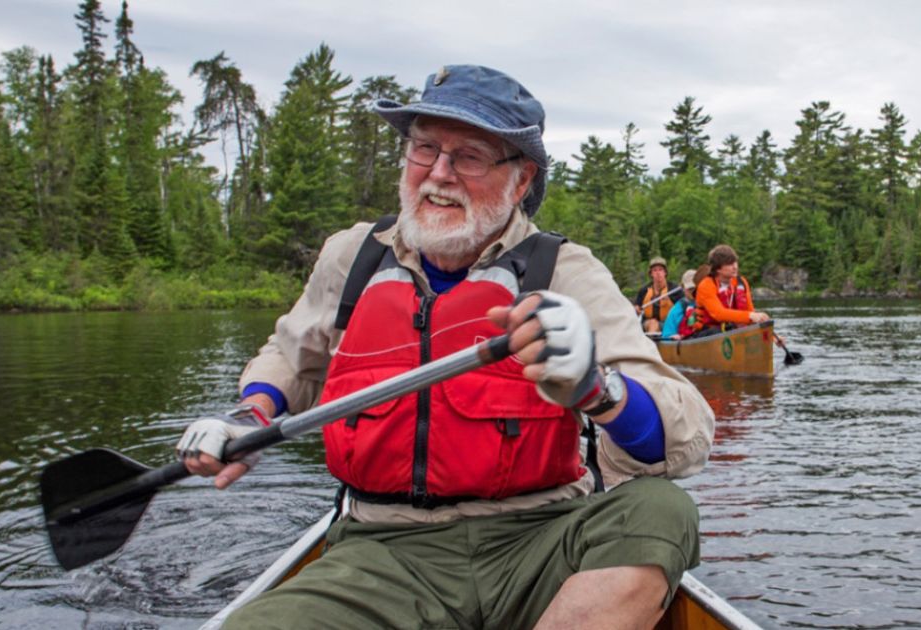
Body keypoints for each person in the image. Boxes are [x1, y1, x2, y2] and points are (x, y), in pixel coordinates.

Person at [174, 65, 714, 629]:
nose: (438, 174)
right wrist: (248, 414)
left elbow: (686, 437)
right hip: (382, 551)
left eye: (470, 156)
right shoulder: (353, 256)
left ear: (522, 179)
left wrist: (597, 389)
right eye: (424, 149)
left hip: (538, 542)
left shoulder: (566, 272)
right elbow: (293, 358)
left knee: (660, 509)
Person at [691, 244, 770, 338]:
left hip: (730, 330)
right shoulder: (706, 285)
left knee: (753, 327)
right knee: (719, 332)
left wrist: (770, 337)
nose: (735, 267)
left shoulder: (742, 282)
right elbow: (719, 314)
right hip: (707, 332)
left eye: (735, 262)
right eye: (730, 264)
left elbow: (750, 311)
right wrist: (750, 316)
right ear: (717, 269)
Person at [634, 256, 681, 334]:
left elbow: (684, 307)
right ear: (651, 274)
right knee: (653, 323)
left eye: (660, 270)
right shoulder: (644, 291)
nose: (658, 273)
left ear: (665, 272)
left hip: (669, 323)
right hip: (648, 323)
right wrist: (636, 309)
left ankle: (651, 344)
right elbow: (637, 307)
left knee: (655, 323)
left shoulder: (674, 290)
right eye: (655, 270)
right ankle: (652, 342)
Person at [660, 268, 699, 340]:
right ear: (683, 288)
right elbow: (666, 336)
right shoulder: (676, 310)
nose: (693, 291)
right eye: (690, 289)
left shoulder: (710, 303)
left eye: (696, 288)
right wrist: (672, 337)